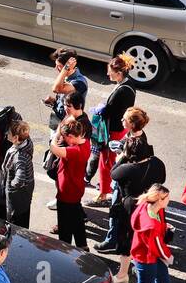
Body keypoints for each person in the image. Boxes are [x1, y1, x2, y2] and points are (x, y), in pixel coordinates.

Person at [95, 135, 167, 283]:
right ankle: (139, 266)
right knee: (145, 239)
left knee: (127, 240)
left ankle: (122, 275)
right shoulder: (157, 163)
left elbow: (113, 173)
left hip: (131, 209)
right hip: (152, 205)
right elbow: (162, 180)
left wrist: (121, 157)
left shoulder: (126, 169)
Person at [89, 54, 137, 205]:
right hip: (120, 129)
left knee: (106, 162)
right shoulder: (129, 83)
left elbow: (109, 111)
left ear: (119, 73)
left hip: (113, 131)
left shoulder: (122, 90)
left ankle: (103, 194)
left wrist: (100, 109)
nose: (107, 74)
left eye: (110, 71)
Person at [129, 183, 172, 283]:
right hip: (146, 258)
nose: (169, 200)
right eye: (167, 198)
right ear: (159, 200)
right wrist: (168, 257)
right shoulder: (151, 224)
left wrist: (165, 228)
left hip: (150, 255)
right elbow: (157, 246)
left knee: (163, 282)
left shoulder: (149, 207)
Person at [50, 121, 91, 248]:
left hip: (67, 192)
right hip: (76, 189)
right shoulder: (86, 143)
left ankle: (64, 249)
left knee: (65, 226)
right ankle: (82, 246)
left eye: (65, 137)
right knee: (77, 220)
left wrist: (56, 136)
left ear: (71, 136)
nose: (64, 139)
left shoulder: (74, 151)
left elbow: (54, 148)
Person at [44, 48, 88, 134]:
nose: (56, 68)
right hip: (57, 115)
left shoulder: (79, 82)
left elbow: (56, 89)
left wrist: (65, 68)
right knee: (51, 138)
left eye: (59, 66)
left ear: (69, 67)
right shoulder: (66, 76)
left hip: (67, 124)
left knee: (55, 140)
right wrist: (54, 101)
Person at [2, 119, 35, 228]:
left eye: (9, 133)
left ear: (16, 138)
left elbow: (19, 179)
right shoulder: (27, 142)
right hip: (26, 193)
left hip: (18, 198)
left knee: (16, 224)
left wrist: (10, 185)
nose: (7, 133)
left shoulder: (19, 156)